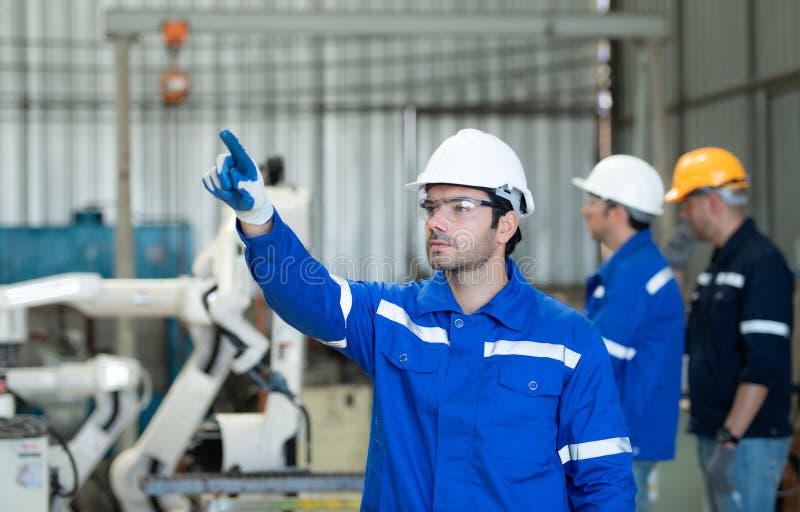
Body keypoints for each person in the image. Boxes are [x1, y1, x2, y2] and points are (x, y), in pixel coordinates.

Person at [202, 128, 636, 510]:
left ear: (505, 225)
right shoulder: (393, 318)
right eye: (431, 207)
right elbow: (309, 294)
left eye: (459, 207)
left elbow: (603, 481)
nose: (436, 222)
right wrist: (259, 218)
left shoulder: (568, 341)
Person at [664, 147, 794, 512]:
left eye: (687, 205)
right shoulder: (718, 264)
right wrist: (675, 270)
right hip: (719, 430)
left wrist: (730, 439)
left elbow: (764, 364)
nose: (684, 216)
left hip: (746, 439)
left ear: (712, 201)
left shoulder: (761, 262)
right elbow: (688, 333)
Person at [572, 155, 685, 511]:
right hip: (628, 428)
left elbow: (598, 360)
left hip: (623, 434)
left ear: (617, 212)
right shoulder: (633, 267)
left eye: (592, 202)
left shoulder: (635, 274)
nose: (584, 211)